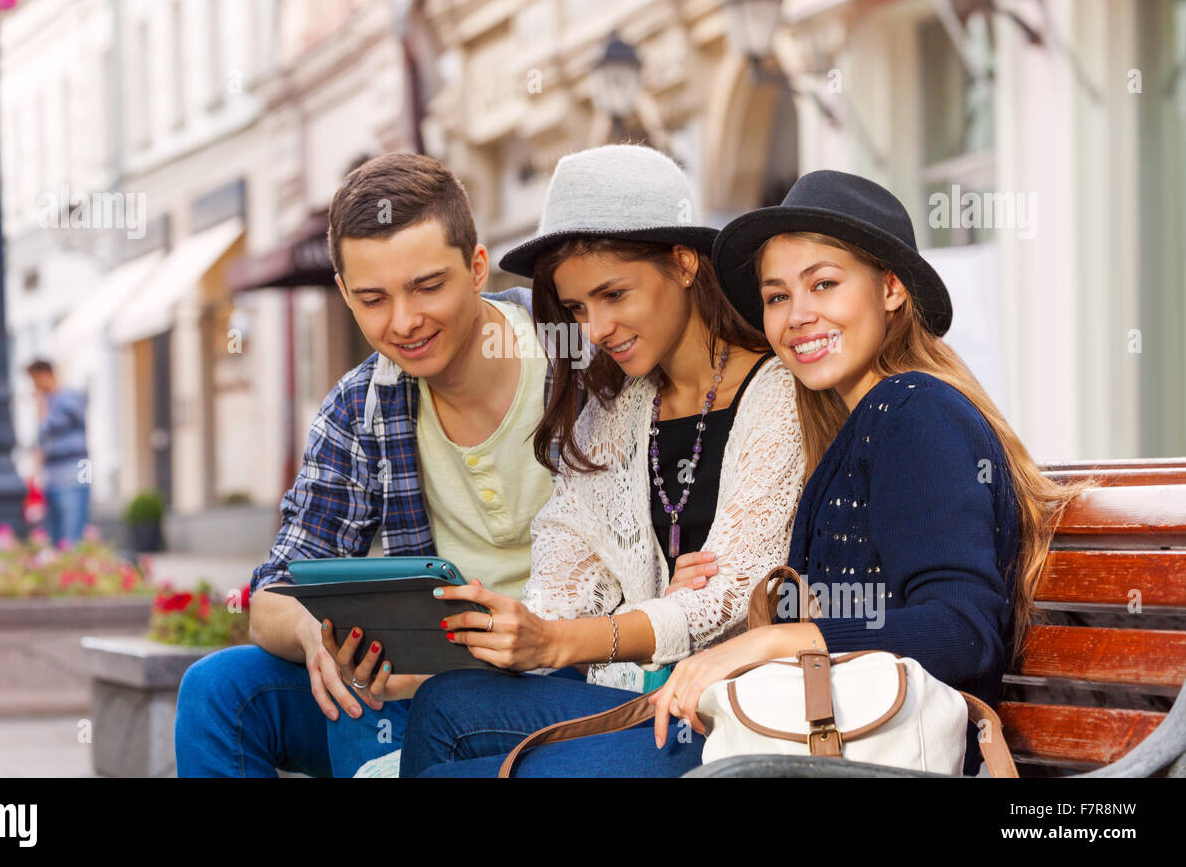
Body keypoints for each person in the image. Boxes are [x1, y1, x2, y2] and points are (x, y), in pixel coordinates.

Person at [642, 169, 1090, 775]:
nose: (797, 316)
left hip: (870, 754)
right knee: (468, 714)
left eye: (823, 284)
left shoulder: (914, 410)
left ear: (891, 290)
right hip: (809, 744)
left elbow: (963, 631)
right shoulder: (857, 431)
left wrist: (774, 640)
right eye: (777, 297)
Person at [398, 144, 805, 778]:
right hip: (642, 695)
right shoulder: (615, 413)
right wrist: (512, 629)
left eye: (614, 294)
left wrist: (576, 635)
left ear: (684, 262)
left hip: (731, 714)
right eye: (579, 308)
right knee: (445, 703)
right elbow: (557, 594)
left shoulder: (776, 392)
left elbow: (728, 597)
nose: (596, 329)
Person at [174, 152, 562, 778]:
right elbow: (270, 595)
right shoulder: (361, 405)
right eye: (374, 298)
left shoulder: (574, 360)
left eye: (427, 286)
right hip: (414, 689)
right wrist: (314, 637)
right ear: (345, 296)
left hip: (560, 677)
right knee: (221, 691)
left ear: (478, 268)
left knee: (394, 706)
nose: (404, 322)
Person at [26, 360, 91, 546]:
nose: (35, 386)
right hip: (53, 474)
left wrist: (43, 412)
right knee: (54, 535)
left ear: (46, 374)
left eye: (35, 380)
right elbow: (43, 437)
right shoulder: (48, 401)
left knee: (72, 532)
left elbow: (60, 424)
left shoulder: (69, 396)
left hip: (74, 472)